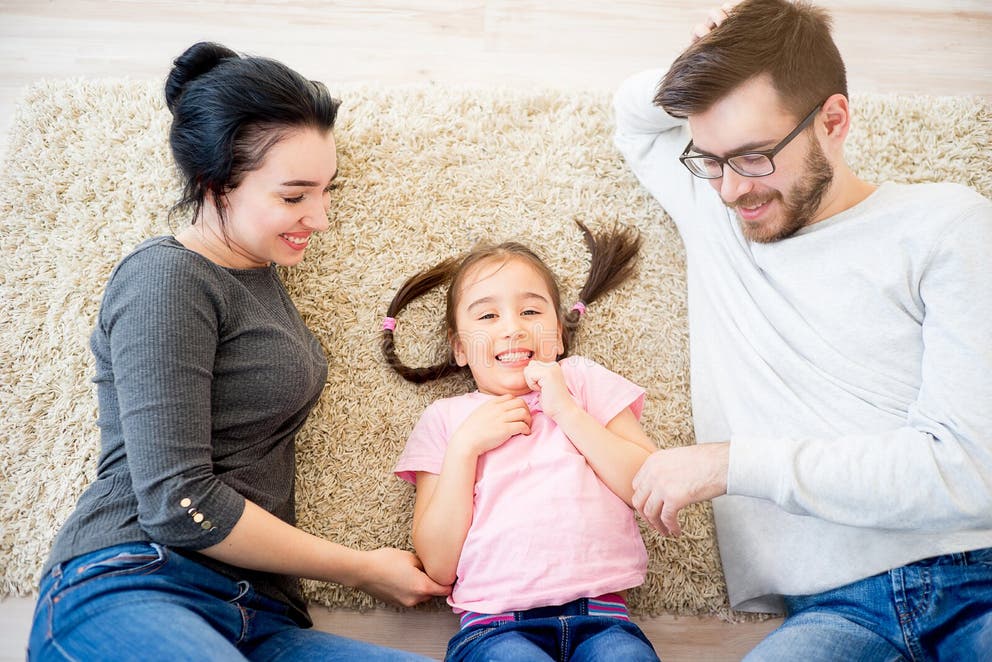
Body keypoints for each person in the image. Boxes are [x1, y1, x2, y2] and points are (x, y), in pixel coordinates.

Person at [27, 41, 449, 661]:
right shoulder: (165, 278)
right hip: (136, 580)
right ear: (215, 185)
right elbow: (178, 503)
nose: (320, 218)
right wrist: (362, 568)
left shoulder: (260, 279)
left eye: (326, 190)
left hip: (261, 616)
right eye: (294, 196)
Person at [613, 0, 992, 659]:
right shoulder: (720, 214)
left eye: (754, 156)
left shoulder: (946, 224)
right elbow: (632, 117)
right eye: (711, 159)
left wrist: (730, 464)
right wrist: (706, 59)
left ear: (833, 121)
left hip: (976, 578)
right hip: (833, 613)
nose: (731, 190)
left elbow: (969, 471)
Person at [381, 222, 661, 661]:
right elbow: (438, 564)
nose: (512, 328)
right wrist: (464, 450)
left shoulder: (582, 383)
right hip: (495, 629)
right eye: (487, 316)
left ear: (559, 334)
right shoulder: (447, 420)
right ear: (459, 348)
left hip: (604, 619)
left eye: (530, 312)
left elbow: (651, 485)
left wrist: (568, 412)